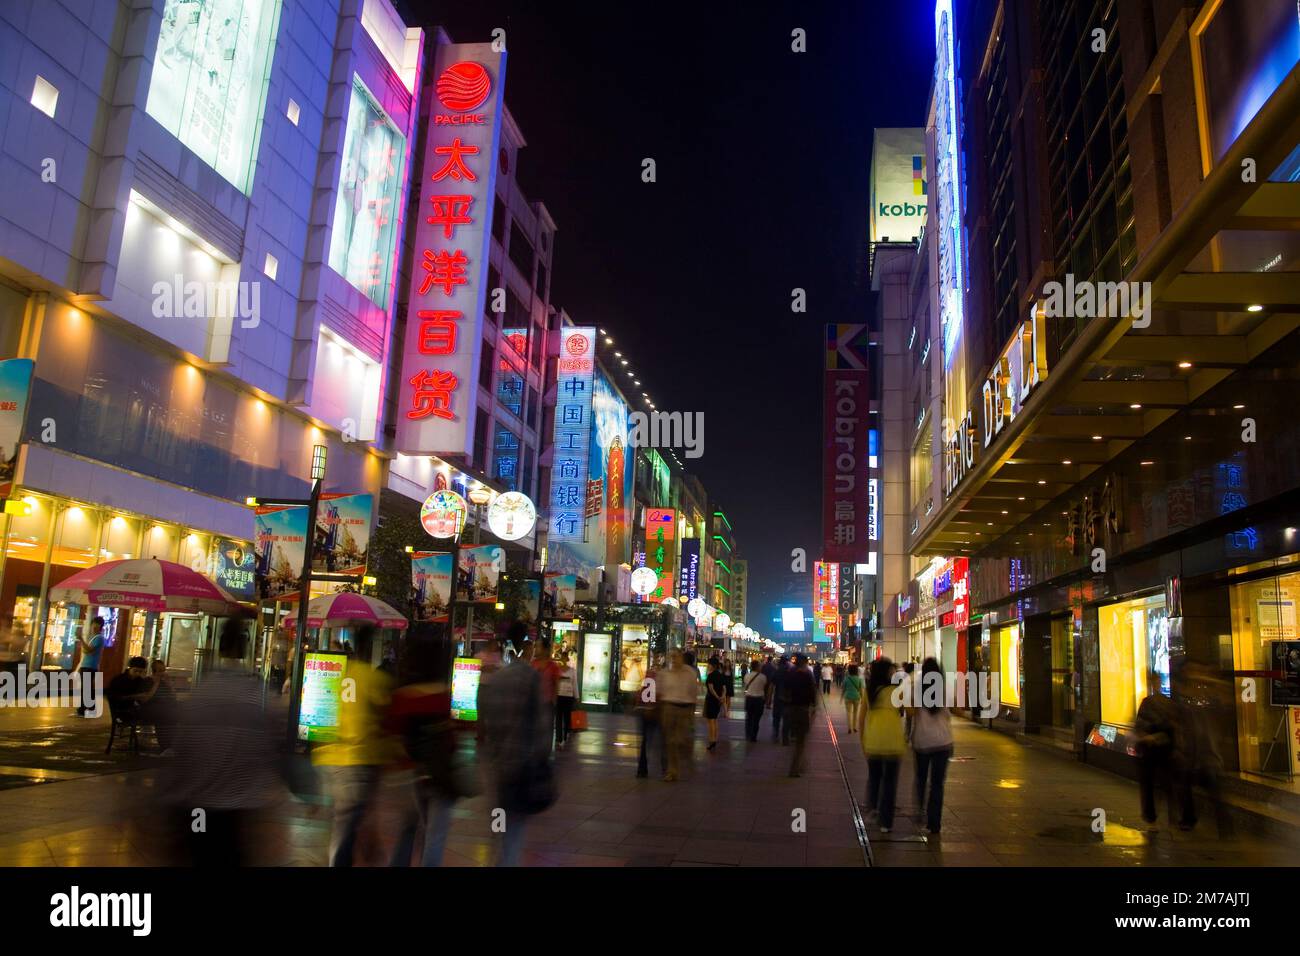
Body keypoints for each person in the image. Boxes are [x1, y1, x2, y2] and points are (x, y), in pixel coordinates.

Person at [165, 617, 281, 865]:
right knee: (231, 857)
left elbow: (183, 751)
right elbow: (269, 751)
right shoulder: (256, 696)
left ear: (219, 646)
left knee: (199, 853)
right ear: (247, 647)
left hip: (199, 805)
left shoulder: (203, 692)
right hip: (239, 806)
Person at [311, 625, 403, 866]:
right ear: (371, 646)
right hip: (360, 758)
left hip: (330, 756)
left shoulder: (338, 674)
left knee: (346, 820)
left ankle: (360, 852)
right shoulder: (375, 678)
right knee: (349, 824)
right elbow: (387, 715)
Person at [388, 631, 471, 867]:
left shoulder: (403, 695)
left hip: (409, 773)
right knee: (435, 835)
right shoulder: (441, 694)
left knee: (408, 829)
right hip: (439, 774)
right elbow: (451, 739)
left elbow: (393, 734)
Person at [479, 623, 555, 865]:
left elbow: (486, 717)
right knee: (516, 829)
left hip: (498, 764)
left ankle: (495, 859)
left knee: (499, 822)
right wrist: (542, 756)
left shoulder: (497, 678)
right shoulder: (530, 677)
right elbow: (542, 723)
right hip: (522, 765)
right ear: (524, 643)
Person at [1134, 671, 1192, 831]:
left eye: (1156, 681)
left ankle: (1162, 816)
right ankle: (1156, 816)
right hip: (1154, 750)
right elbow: (1141, 726)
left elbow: (1174, 726)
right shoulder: (1150, 703)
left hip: (1162, 750)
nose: (1155, 684)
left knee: (1162, 784)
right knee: (1156, 784)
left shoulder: (1162, 703)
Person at [859, 657, 905, 832]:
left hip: (873, 741)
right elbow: (909, 711)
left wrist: (862, 741)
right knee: (890, 783)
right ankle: (886, 822)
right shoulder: (897, 691)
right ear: (887, 672)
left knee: (874, 779)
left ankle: (873, 810)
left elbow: (861, 719)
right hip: (893, 742)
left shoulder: (869, 692)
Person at [910, 657, 954, 835]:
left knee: (921, 779)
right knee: (937, 784)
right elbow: (951, 711)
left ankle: (920, 810)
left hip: (922, 742)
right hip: (943, 742)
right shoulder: (944, 689)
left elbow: (911, 712)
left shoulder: (916, 690)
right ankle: (934, 823)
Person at [656, 649, 698, 782]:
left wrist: (692, 713)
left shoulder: (689, 673)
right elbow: (659, 692)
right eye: (671, 657)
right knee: (670, 741)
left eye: (676, 656)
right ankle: (672, 771)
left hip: (685, 709)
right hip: (669, 708)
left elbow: (694, 692)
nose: (674, 659)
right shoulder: (664, 673)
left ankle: (685, 756)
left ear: (681, 658)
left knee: (680, 740)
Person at [785, 654, 818, 777]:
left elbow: (786, 689)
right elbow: (812, 691)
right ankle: (796, 768)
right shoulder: (808, 675)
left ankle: (801, 764)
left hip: (791, 708)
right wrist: (814, 706)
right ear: (804, 663)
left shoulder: (790, 673)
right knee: (801, 740)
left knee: (797, 738)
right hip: (803, 709)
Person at [74, 617, 106, 716]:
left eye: (97, 625)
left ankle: (83, 710)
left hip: (90, 666)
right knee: (87, 688)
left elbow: (88, 650)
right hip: (87, 665)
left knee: (86, 688)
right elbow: (86, 650)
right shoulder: (94, 638)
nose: (94, 627)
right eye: (93, 624)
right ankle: (90, 708)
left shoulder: (99, 638)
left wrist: (81, 639)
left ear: (100, 626)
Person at [704, 658, 727, 752]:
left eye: (709, 664)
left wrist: (717, 697)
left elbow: (711, 688)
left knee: (710, 721)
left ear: (712, 665)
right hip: (718, 701)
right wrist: (722, 697)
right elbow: (724, 688)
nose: (707, 666)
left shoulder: (710, 676)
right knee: (715, 720)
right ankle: (715, 739)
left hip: (711, 700)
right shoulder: (721, 675)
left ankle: (711, 740)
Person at [555, 652, 578, 749]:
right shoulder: (557, 670)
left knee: (566, 717)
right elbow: (555, 682)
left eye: (565, 658)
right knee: (559, 718)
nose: (563, 660)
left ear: (567, 659)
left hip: (569, 696)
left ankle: (565, 736)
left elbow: (575, 683)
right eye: (562, 658)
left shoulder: (572, 671)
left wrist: (577, 697)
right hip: (559, 695)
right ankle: (559, 738)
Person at [742, 659, 767, 743]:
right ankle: (753, 736)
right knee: (756, 719)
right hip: (759, 699)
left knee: (749, 717)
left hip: (749, 698)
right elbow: (764, 686)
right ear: (757, 667)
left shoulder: (747, 676)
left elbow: (746, 684)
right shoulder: (763, 677)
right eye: (760, 666)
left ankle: (748, 734)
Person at [770, 656, 791, 744]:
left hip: (778, 697)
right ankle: (785, 738)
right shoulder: (790, 671)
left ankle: (775, 734)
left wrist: (769, 698)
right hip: (787, 698)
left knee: (776, 717)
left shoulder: (777, 671)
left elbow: (772, 685)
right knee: (786, 718)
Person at [842, 663, 863, 733]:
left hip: (848, 697)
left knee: (848, 713)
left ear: (849, 670)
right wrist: (862, 698)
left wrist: (841, 697)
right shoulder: (859, 679)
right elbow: (861, 690)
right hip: (857, 697)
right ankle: (854, 727)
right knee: (855, 712)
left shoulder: (846, 679)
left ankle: (849, 728)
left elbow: (843, 689)